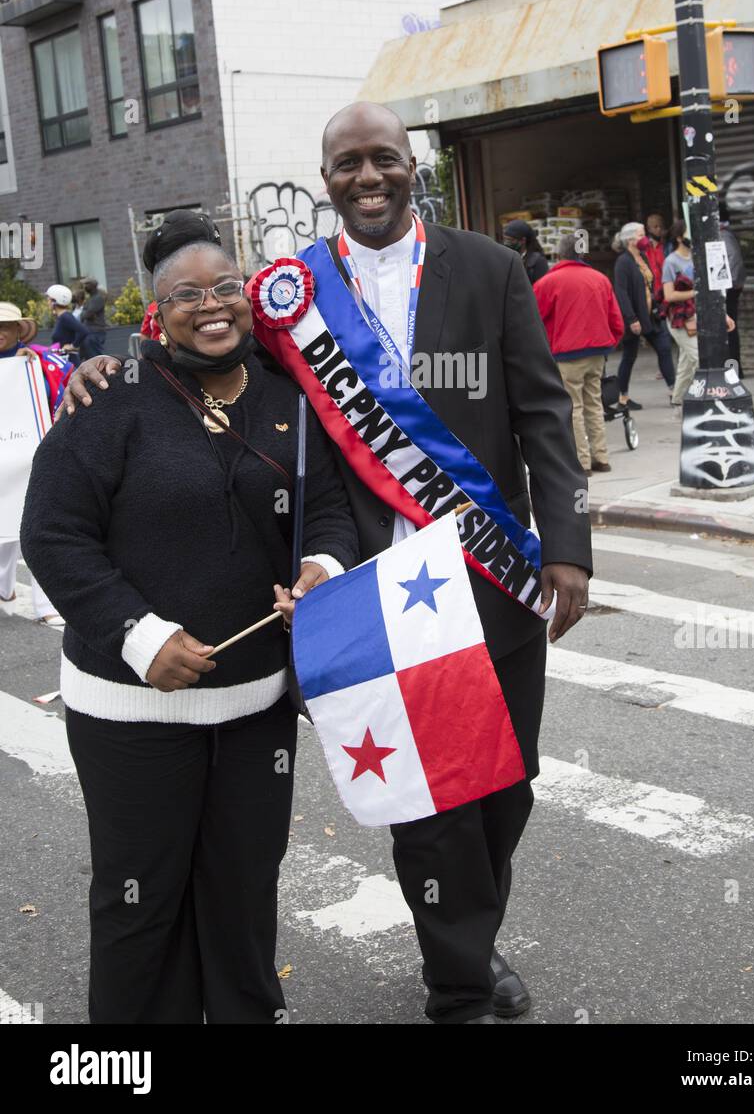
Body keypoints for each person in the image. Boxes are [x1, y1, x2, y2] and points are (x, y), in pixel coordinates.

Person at [67, 102, 592, 1027]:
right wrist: (105, 367)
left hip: (491, 575)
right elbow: (205, 353)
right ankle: (460, 976)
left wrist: (572, 549)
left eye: (384, 158)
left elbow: (543, 416)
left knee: (504, 786)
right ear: (326, 180)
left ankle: (473, 933)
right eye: (348, 164)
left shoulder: (490, 268)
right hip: (367, 598)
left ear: (412, 167)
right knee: (430, 799)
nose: (368, 177)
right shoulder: (288, 295)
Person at [22, 212, 359, 1024]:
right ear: (156, 310)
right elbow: (53, 534)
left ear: (249, 296)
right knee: (142, 905)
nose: (210, 306)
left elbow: (329, 512)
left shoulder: (288, 397)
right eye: (185, 295)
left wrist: (321, 569)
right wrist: (140, 638)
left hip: (254, 713)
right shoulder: (110, 401)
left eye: (224, 288)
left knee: (244, 893)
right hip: (132, 714)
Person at [0, 302, 72, 626]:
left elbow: (64, 390)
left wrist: (36, 364)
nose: (0, 333)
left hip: (35, 456)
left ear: (19, 331)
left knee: (37, 527)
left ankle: (46, 603)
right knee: (4, 530)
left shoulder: (41, 363)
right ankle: (4, 588)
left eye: (6, 326)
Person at [533, 234, 624, 472]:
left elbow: (534, 320)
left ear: (560, 253)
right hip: (596, 352)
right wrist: (609, 342)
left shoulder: (548, 282)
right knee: (594, 403)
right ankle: (601, 458)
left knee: (573, 407)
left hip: (566, 354)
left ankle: (582, 462)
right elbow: (616, 319)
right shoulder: (600, 279)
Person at [613, 221, 676, 409]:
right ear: (630, 240)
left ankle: (675, 391)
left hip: (651, 315)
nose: (645, 239)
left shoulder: (643, 257)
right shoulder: (623, 262)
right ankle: (622, 397)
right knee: (629, 356)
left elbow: (650, 285)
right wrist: (631, 318)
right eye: (641, 235)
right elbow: (621, 292)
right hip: (635, 316)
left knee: (664, 348)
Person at [662, 221, 698, 408]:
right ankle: (701, 395)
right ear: (679, 238)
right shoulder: (671, 262)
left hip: (694, 314)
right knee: (698, 357)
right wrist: (696, 292)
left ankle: (677, 399)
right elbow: (669, 295)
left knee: (686, 360)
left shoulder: (696, 257)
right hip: (678, 318)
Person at [719, 203, 746, 374]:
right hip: (730, 287)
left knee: (729, 328)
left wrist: (730, 286)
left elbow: (734, 260)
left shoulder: (722, 236)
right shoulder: (725, 235)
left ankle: (733, 369)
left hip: (727, 289)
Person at [46, 284, 97, 360]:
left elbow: (83, 331)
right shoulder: (61, 317)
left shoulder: (65, 317)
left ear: (54, 301)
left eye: (49, 299)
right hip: (63, 359)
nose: (47, 302)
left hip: (69, 361)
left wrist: (73, 346)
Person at [502, 219, 549, 283]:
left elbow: (542, 287)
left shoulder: (538, 261)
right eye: (505, 239)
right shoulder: (506, 258)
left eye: (511, 240)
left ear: (523, 240)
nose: (507, 243)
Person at [80, 277, 107, 353]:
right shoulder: (90, 298)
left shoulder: (98, 298)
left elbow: (87, 314)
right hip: (89, 331)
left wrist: (84, 313)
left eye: (87, 284)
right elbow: (83, 314)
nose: (85, 287)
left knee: (96, 356)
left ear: (93, 285)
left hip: (96, 332)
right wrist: (84, 313)